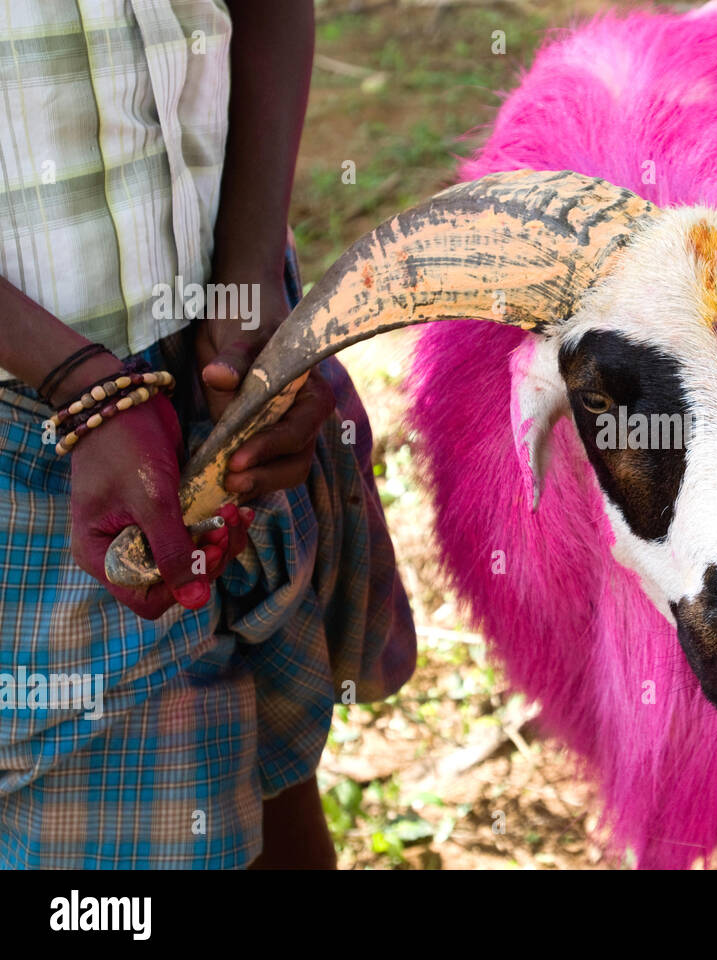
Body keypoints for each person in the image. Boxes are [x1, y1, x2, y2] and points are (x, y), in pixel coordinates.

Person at [0, 0, 416, 868]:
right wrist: (79, 385)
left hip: (223, 345)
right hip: (26, 431)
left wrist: (250, 285)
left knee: (267, 783)